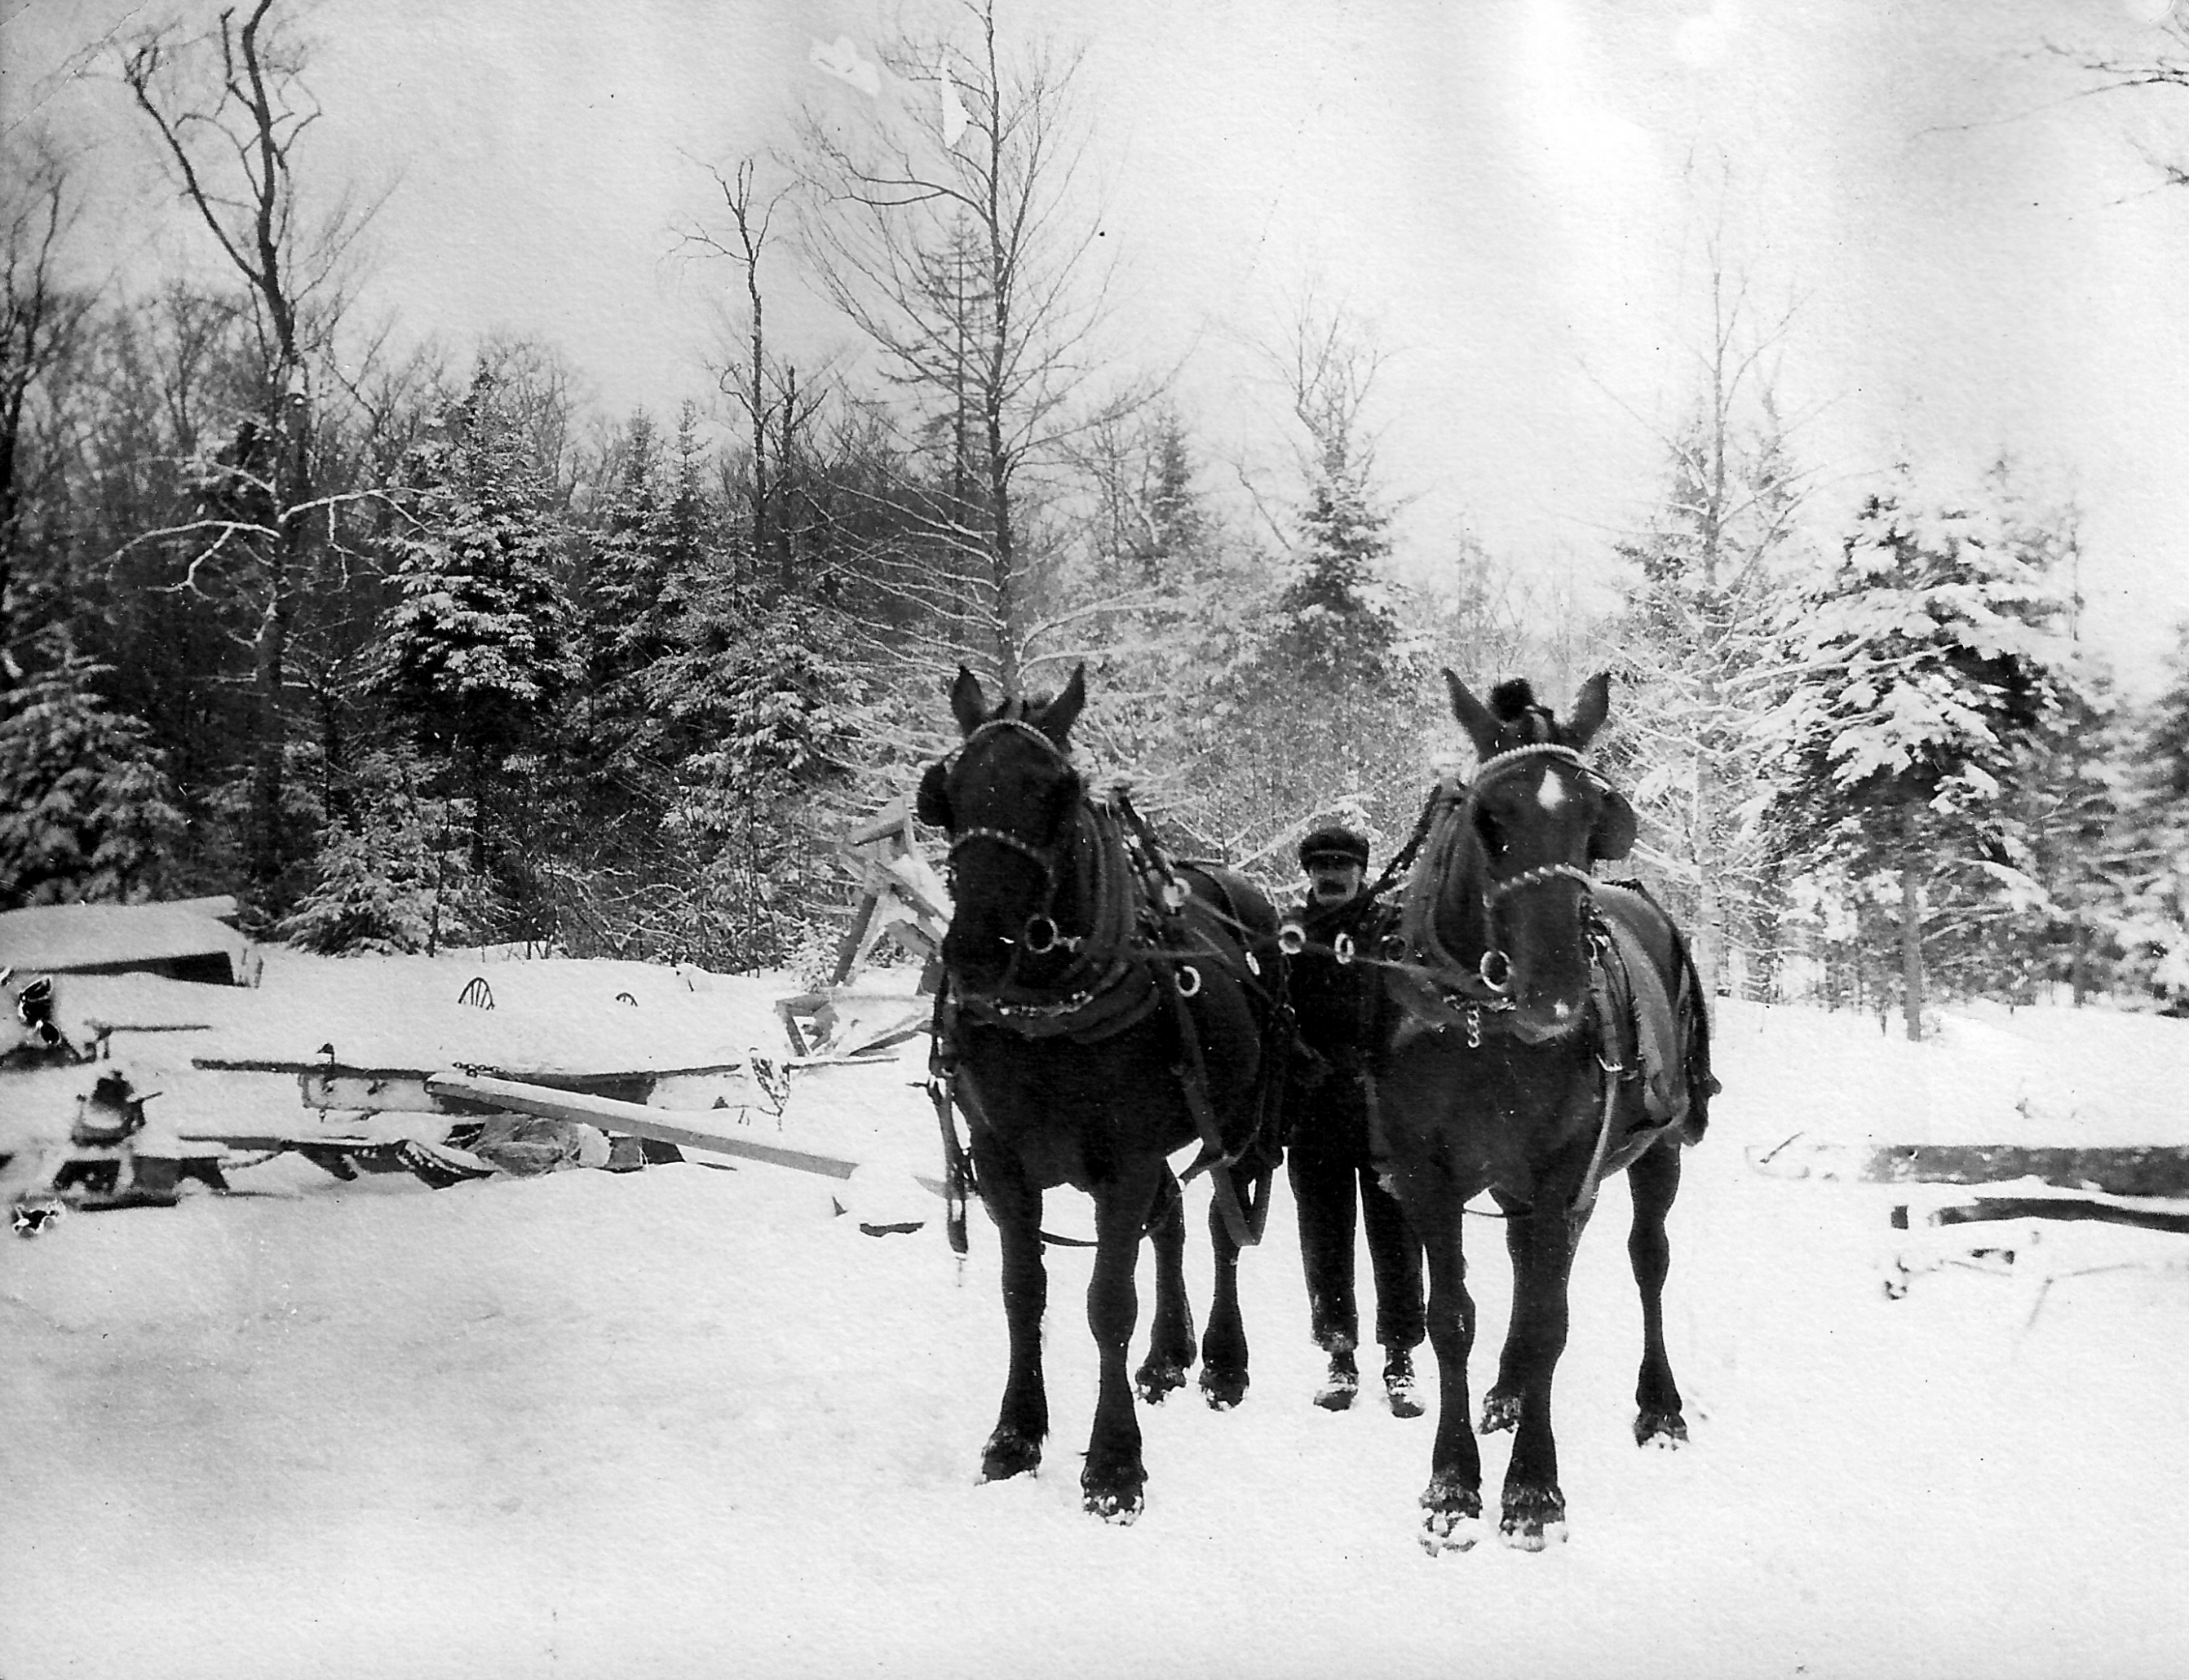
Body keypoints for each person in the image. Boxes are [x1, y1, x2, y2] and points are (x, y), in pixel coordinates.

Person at [1283, 824, 1426, 1416]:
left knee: (1397, 1238)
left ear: (1362, 872)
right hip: (1315, 1112)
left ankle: (1400, 1358)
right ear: (1309, 874)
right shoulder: (1288, 936)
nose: (1332, 877)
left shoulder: (1390, 931)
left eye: (1342, 867)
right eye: (1322, 868)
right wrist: (1303, 1060)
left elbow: (1415, 1009)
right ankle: (1339, 1358)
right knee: (1324, 1238)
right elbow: (1272, 1014)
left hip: (1384, 1112)